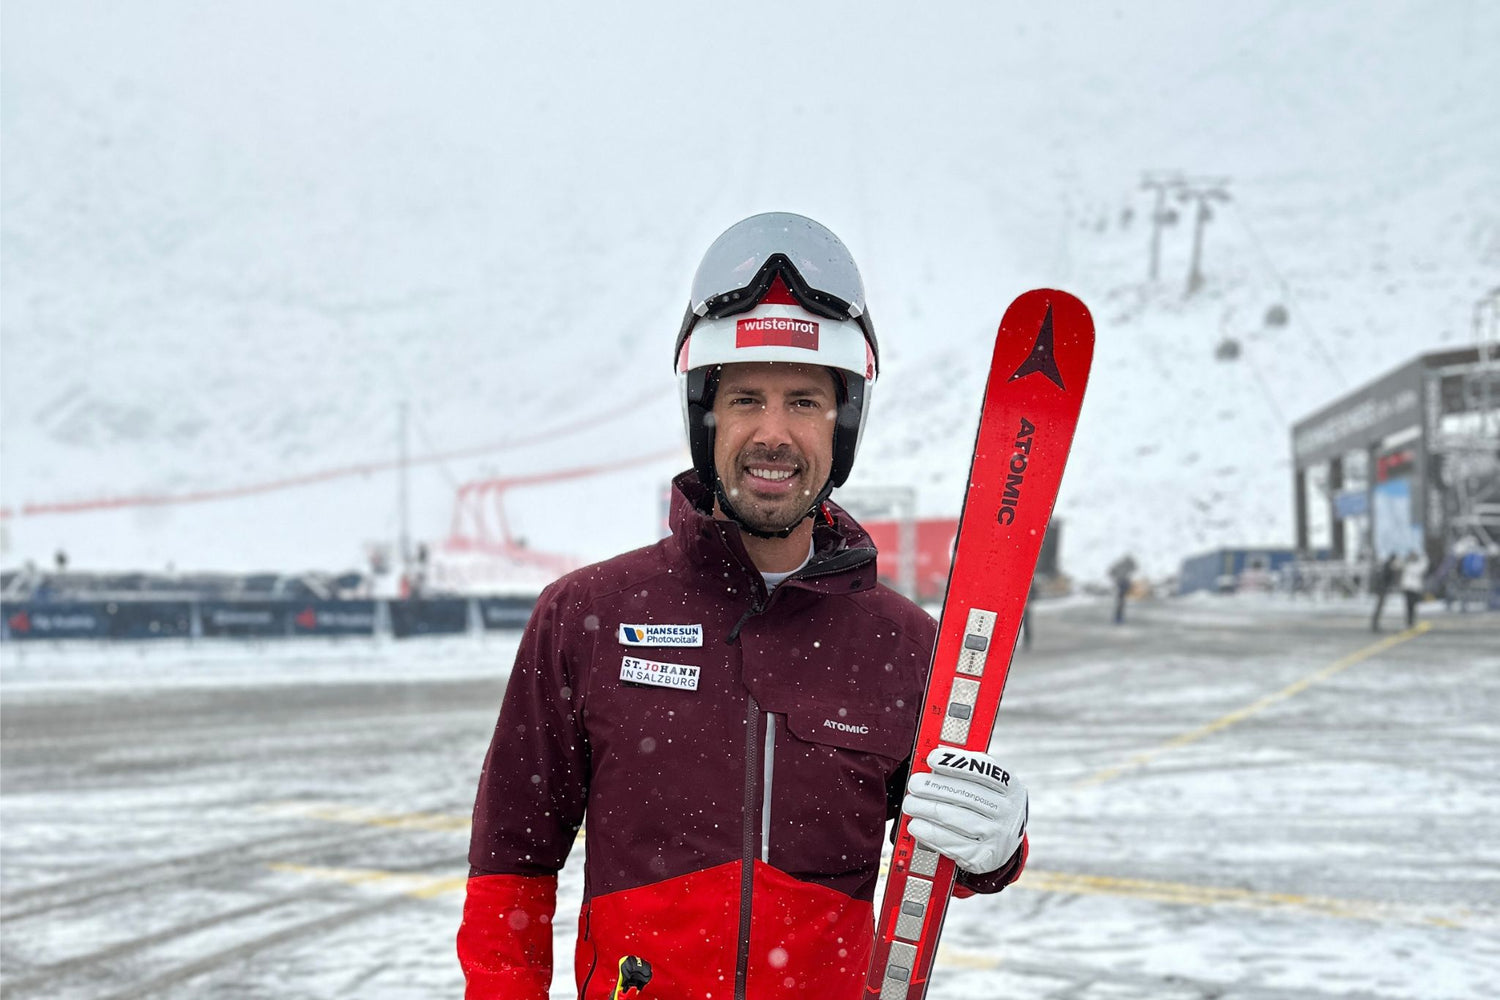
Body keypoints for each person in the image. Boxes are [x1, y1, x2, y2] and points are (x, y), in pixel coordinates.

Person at [458, 213, 1029, 999]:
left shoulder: (905, 646)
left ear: (842, 425)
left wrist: (996, 850)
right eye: (746, 399)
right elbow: (510, 866)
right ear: (707, 416)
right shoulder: (584, 616)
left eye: (804, 402)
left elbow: (934, 864)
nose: (773, 434)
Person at [1370, 552, 1400, 632]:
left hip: (1381, 589)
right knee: (1379, 607)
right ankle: (1375, 624)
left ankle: (1375, 624)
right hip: (1382, 590)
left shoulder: (1386, 566)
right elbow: (1385, 579)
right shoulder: (1388, 567)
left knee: (1379, 607)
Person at [1400, 548, 1429, 629]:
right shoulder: (1407, 565)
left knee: (1413, 606)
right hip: (1408, 588)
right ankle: (1409, 622)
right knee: (1408, 606)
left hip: (1415, 589)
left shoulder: (1418, 565)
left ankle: (1411, 621)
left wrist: (1424, 555)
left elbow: (1424, 566)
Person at [1109, 553, 1137, 624]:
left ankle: (1118, 618)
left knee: (1121, 602)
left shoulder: (1121, 565)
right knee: (1121, 602)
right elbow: (1111, 572)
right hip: (1121, 583)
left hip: (1122, 583)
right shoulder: (1123, 565)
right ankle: (1118, 618)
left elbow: (1111, 572)